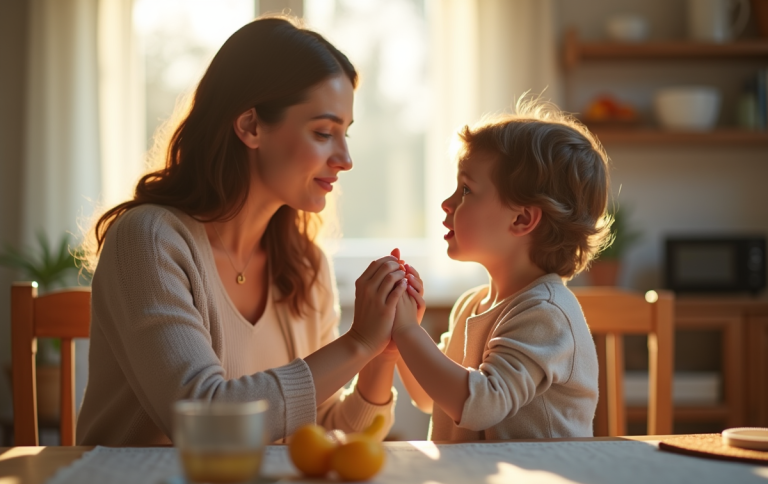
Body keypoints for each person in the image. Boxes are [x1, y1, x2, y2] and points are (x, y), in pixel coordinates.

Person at [76, 17, 417, 446]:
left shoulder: (306, 264)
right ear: (251, 126)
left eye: (345, 134)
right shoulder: (148, 240)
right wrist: (357, 343)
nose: (345, 158)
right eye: (323, 132)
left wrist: (379, 356)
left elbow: (325, 431)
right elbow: (204, 421)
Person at [391, 102, 611, 441]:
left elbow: (481, 405)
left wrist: (409, 333)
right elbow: (430, 395)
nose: (447, 203)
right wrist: (398, 335)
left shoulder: (545, 314)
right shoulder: (471, 304)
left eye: (466, 190)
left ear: (521, 219)